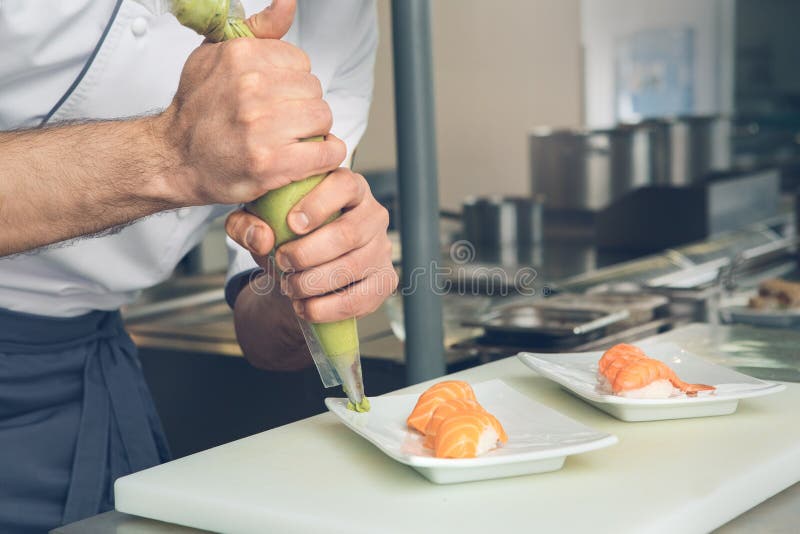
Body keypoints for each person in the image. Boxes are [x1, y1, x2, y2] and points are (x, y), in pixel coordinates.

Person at [0, 0, 396, 531]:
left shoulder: (338, 17)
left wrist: (309, 283)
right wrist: (169, 156)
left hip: (76, 387)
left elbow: (263, 333)